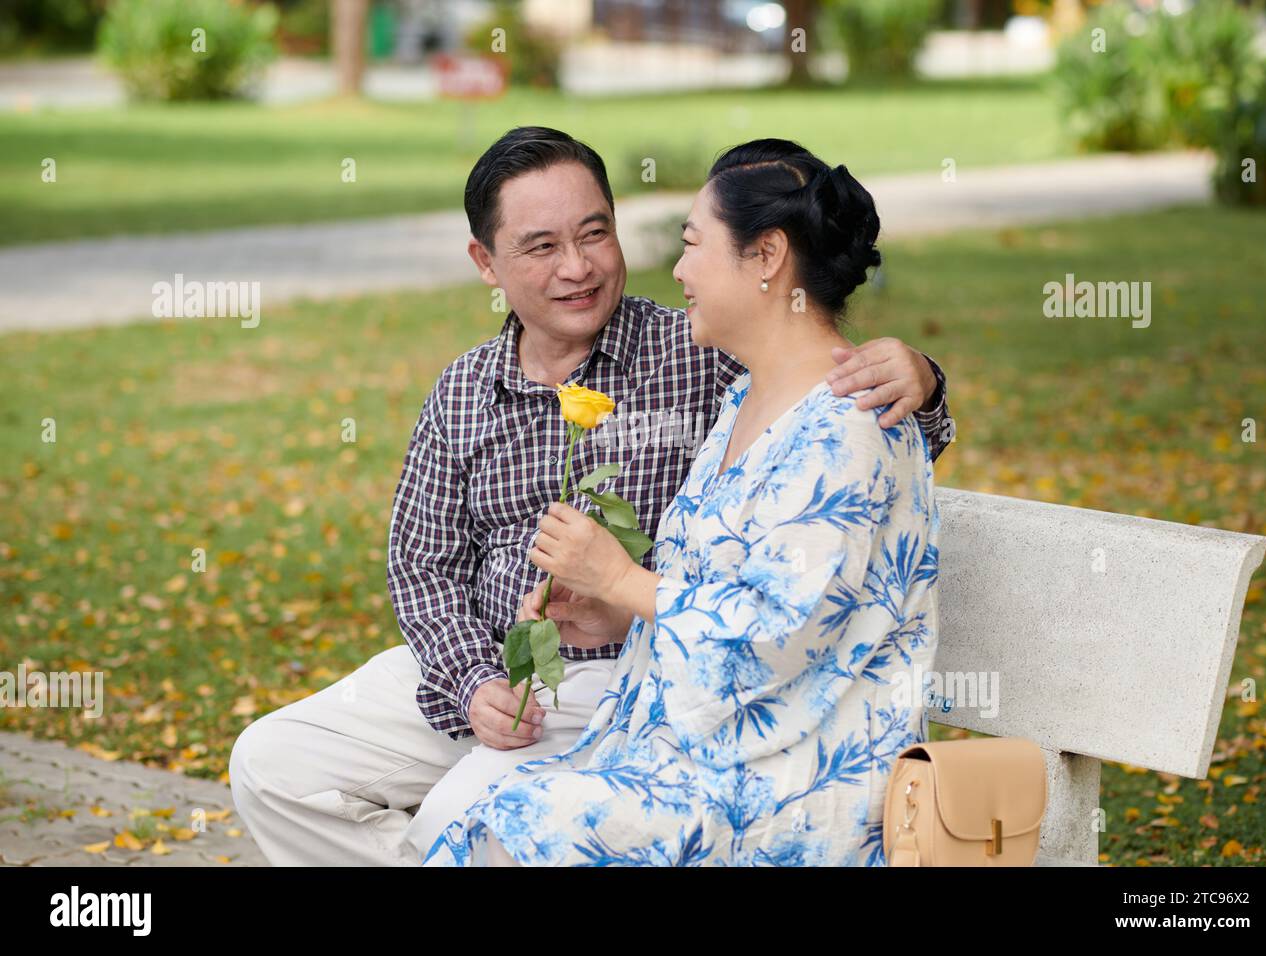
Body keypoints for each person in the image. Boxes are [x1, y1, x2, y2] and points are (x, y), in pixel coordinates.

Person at [229, 127, 951, 866]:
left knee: (464, 820)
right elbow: (422, 567)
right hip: (498, 666)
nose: (577, 267)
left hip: (632, 682)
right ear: (487, 263)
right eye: (541, 247)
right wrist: (475, 681)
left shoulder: (698, 354)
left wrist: (921, 377)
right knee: (272, 765)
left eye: (595, 234)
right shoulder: (466, 391)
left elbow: (845, 429)